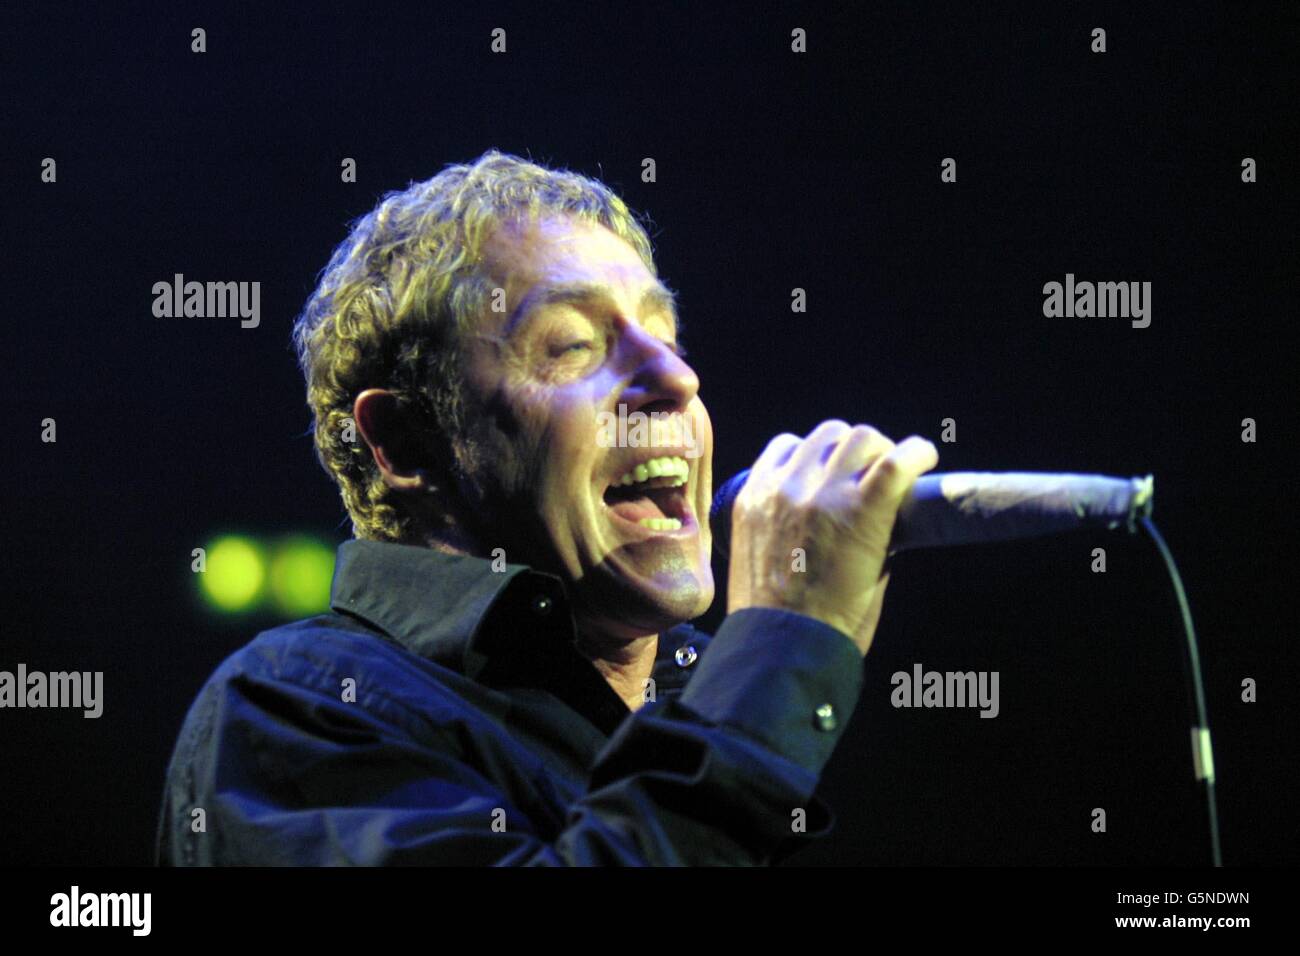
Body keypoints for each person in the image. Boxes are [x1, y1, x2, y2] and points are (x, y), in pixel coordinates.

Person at [155, 149, 938, 865]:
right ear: (406, 441)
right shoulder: (293, 710)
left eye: (668, 337)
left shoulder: (699, 695)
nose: (677, 379)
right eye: (571, 345)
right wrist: (779, 657)